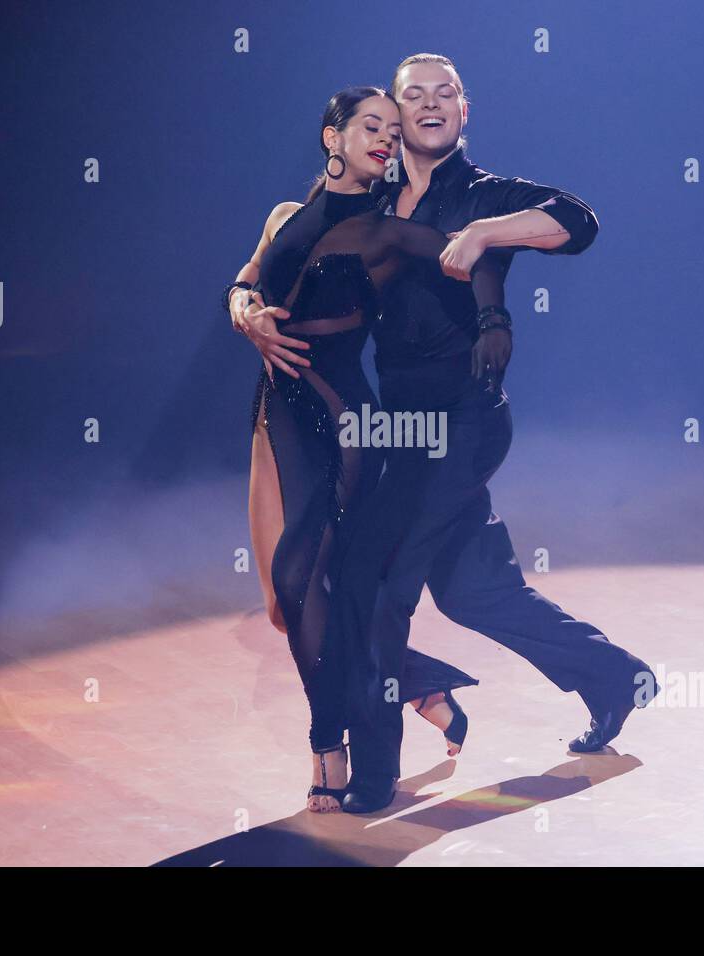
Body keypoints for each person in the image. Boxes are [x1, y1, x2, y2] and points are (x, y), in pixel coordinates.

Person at [321, 54, 662, 814]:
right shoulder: (370, 199)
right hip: (401, 423)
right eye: (416, 95)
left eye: (447, 94)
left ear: (464, 113)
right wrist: (244, 301)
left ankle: (374, 780)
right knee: (477, 593)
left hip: (464, 422)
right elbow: (290, 250)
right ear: (395, 114)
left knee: (379, 589)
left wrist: (483, 234)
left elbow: (580, 224)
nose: (432, 104)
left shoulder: (486, 195)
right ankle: (615, 675)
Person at [224, 85, 513, 812]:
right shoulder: (285, 216)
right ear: (334, 137)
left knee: (301, 576)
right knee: (283, 604)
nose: (387, 138)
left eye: (394, 129)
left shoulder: (383, 229)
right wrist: (244, 313)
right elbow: (245, 278)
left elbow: (469, 255)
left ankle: (329, 746)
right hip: (275, 411)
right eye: (372, 127)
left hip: (343, 414)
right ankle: (420, 683)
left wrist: (494, 317)